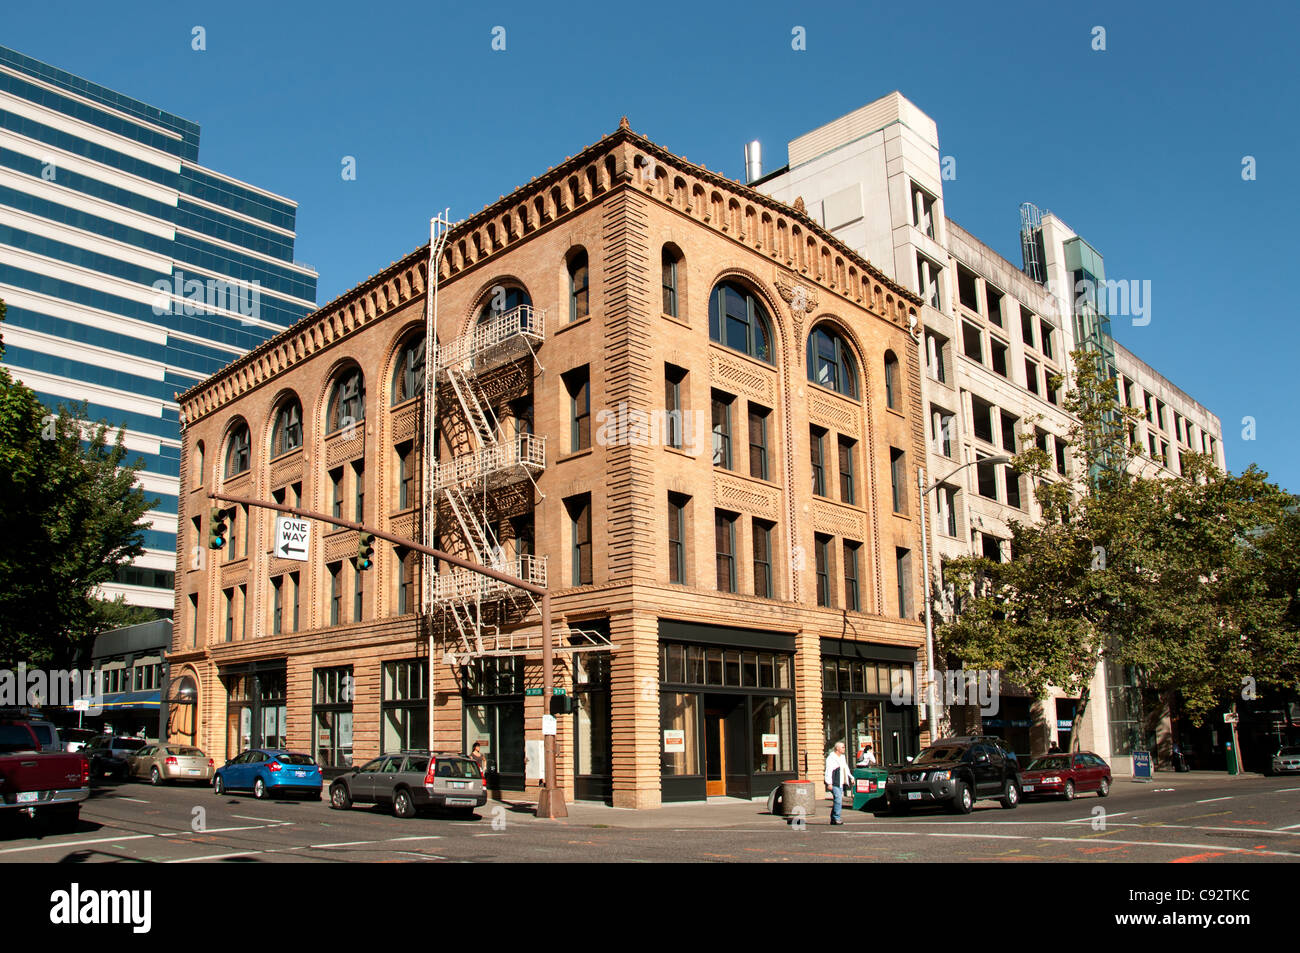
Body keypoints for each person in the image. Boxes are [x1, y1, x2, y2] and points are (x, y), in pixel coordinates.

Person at [824, 742, 853, 825]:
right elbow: (828, 771)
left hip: (840, 781)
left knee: (837, 800)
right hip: (834, 782)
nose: (844, 748)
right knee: (838, 799)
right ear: (837, 749)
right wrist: (829, 783)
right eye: (842, 747)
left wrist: (851, 777)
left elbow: (846, 768)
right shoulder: (831, 758)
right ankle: (837, 817)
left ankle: (833, 818)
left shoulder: (842, 757)